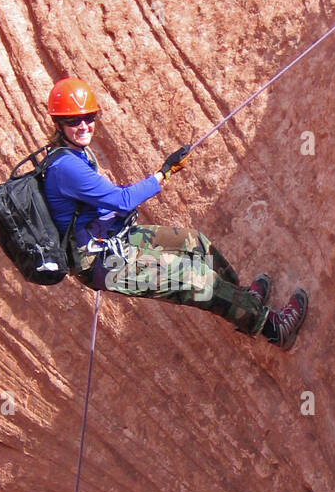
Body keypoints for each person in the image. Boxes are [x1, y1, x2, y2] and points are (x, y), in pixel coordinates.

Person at [41, 76, 309, 349]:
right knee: (191, 278)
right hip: (100, 262)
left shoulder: (74, 154)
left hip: (110, 239)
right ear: (58, 124)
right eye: (74, 120)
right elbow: (121, 201)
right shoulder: (66, 167)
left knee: (195, 243)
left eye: (88, 116)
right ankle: (274, 329)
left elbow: (101, 202)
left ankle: (243, 305)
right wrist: (164, 172)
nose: (83, 125)